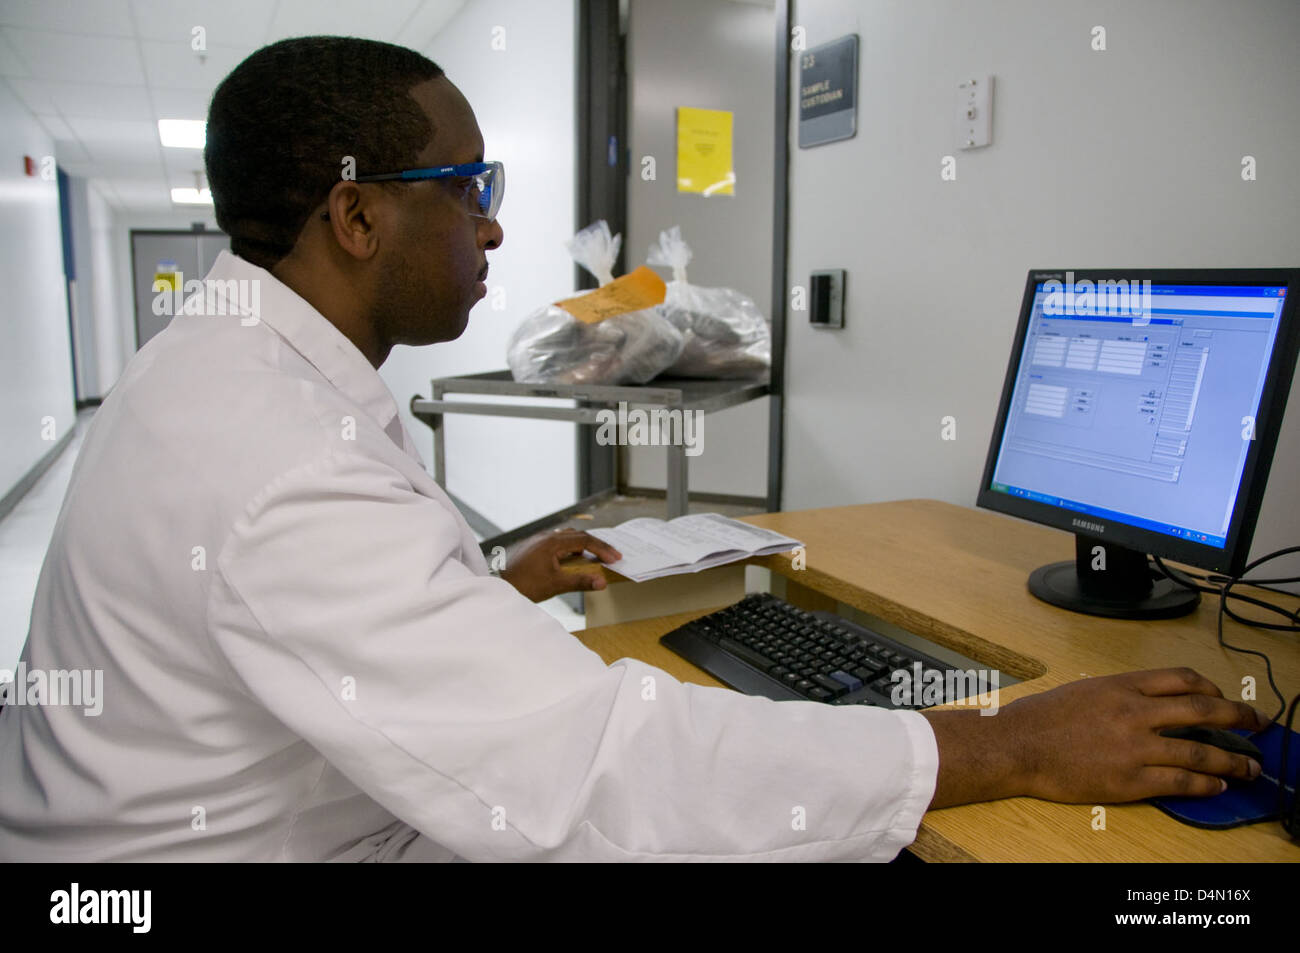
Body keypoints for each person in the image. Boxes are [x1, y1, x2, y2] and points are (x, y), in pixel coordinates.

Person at [0, 36, 1266, 862]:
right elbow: (590, 766)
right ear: (357, 214)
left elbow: (298, 610)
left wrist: (475, 598)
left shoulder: (229, 362)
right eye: (472, 187)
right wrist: (1005, 743)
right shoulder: (272, 447)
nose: (493, 231)